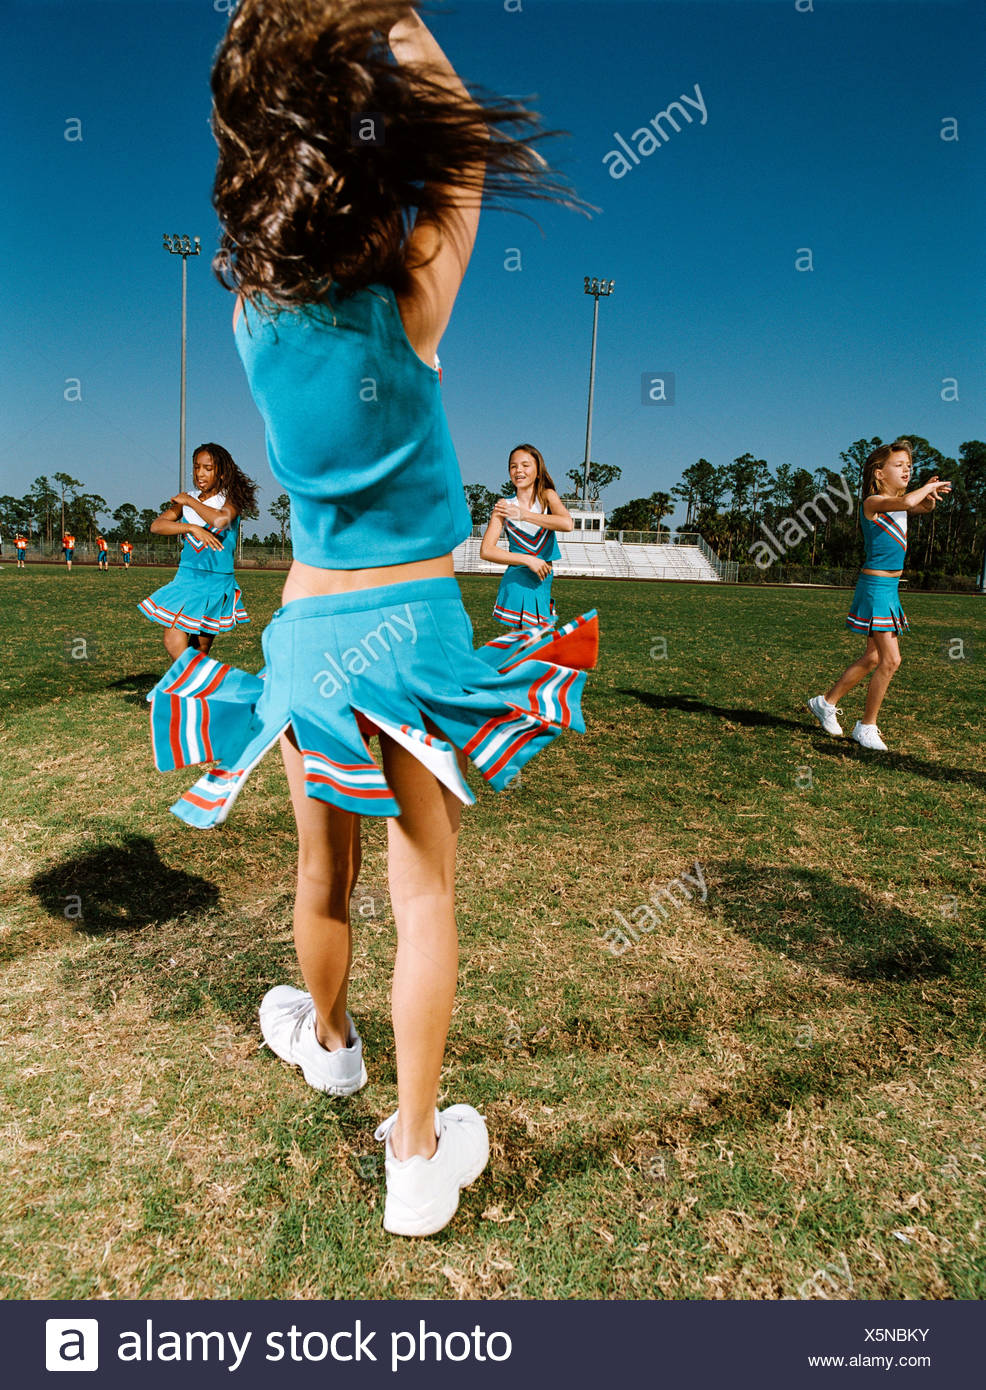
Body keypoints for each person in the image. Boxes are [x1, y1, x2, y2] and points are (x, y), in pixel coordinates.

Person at [147, 2, 598, 1237]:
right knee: (427, 897)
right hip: (409, 627)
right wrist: (392, 17)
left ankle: (332, 1043)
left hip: (304, 631)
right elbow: (455, 148)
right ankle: (415, 1155)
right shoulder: (405, 303)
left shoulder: (251, 322)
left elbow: (274, 203)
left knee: (318, 868)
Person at [808, 439, 950, 750]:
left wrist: (931, 493)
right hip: (876, 589)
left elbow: (921, 505)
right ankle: (866, 726)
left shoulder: (899, 502)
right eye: (899, 466)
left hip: (888, 588)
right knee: (891, 659)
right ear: (878, 472)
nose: (906, 471)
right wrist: (922, 492)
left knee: (873, 656)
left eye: (909, 467)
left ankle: (825, 702)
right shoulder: (873, 502)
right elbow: (913, 503)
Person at [138, 444, 256, 662]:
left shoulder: (231, 498)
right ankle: (190, 682)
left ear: (221, 472)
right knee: (173, 636)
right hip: (187, 577)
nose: (200, 473)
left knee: (199, 648)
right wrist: (190, 527)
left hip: (216, 581)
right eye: (196, 467)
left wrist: (190, 502)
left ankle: (190, 688)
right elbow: (157, 525)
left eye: (207, 468)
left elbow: (220, 520)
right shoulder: (187, 499)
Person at [480, 444, 573, 628]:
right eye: (513, 466)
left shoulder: (548, 496)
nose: (518, 470)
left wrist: (524, 515)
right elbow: (486, 550)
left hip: (542, 581)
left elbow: (566, 524)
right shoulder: (504, 505)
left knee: (521, 645)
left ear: (538, 471)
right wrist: (528, 560)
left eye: (525, 465)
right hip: (518, 577)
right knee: (529, 642)